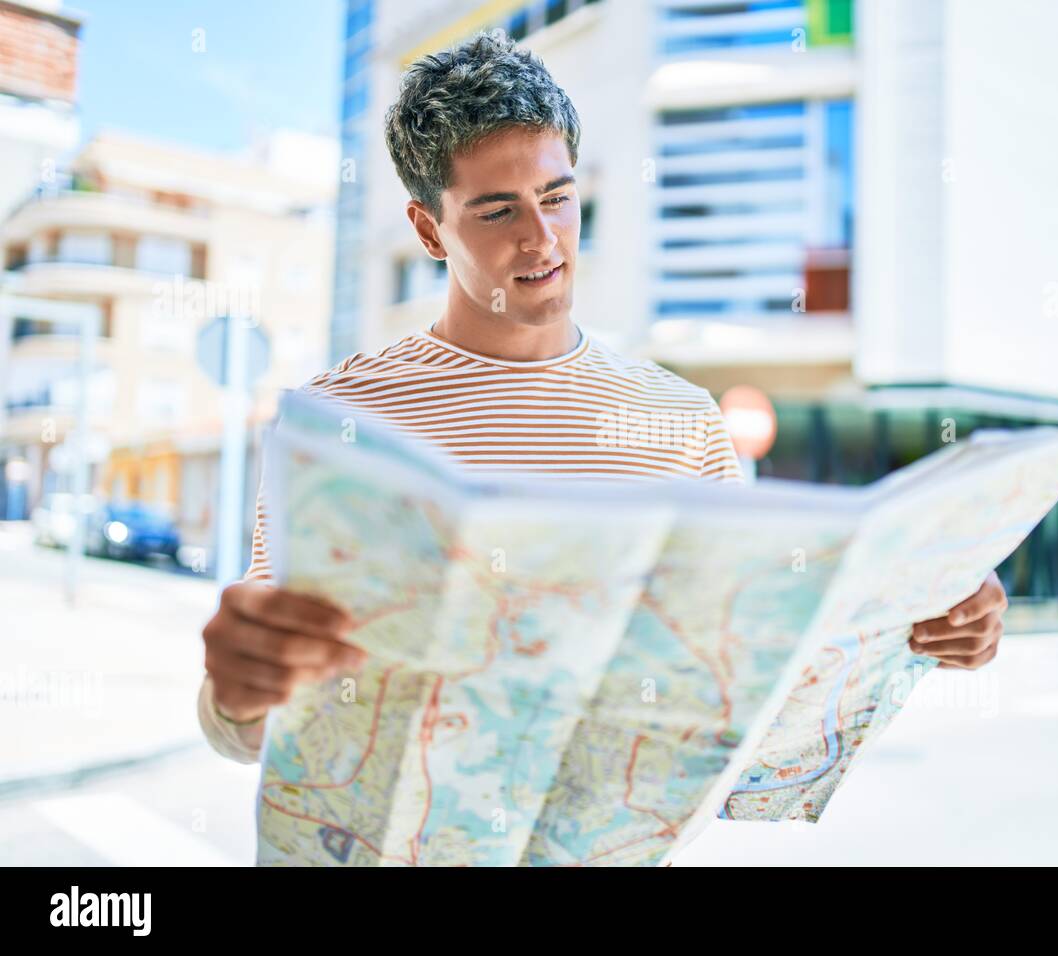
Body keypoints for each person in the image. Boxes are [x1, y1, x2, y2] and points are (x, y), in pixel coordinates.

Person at [198, 30, 1007, 766]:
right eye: (497, 211)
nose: (542, 240)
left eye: (556, 196)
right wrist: (232, 696)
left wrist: (920, 627)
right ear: (427, 229)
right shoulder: (336, 421)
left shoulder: (683, 423)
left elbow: (757, 686)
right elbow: (262, 718)